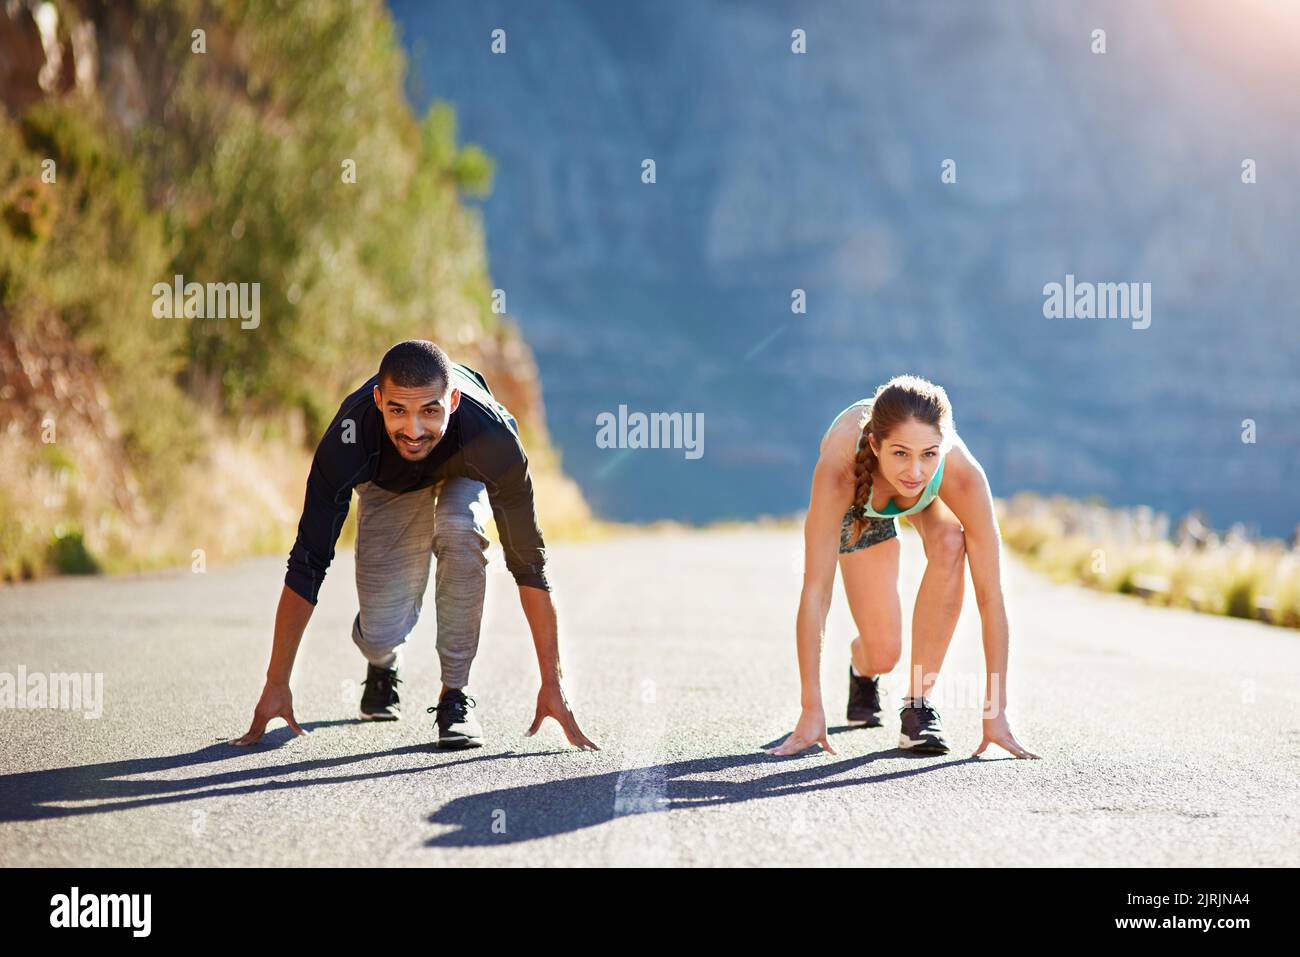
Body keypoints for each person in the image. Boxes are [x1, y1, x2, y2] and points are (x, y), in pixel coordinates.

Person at [234, 339, 598, 751]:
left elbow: (529, 564)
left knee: (461, 528)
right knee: (380, 633)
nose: (413, 430)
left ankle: (454, 696)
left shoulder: (492, 437)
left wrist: (553, 683)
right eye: (397, 411)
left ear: (454, 400)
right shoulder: (347, 439)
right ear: (378, 400)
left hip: (465, 465)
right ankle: (382, 661)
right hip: (388, 483)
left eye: (430, 410)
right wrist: (276, 683)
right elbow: (307, 562)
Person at [767, 374, 1038, 759]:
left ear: (943, 446)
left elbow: (991, 596)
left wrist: (997, 714)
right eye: (900, 453)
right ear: (876, 445)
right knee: (883, 654)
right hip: (863, 501)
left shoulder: (961, 474)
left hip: (926, 503)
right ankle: (863, 670)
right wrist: (811, 710)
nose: (914, 471)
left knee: (950, 541)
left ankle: (919, 706)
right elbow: (816, 592)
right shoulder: (840, 468)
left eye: (929, 453)